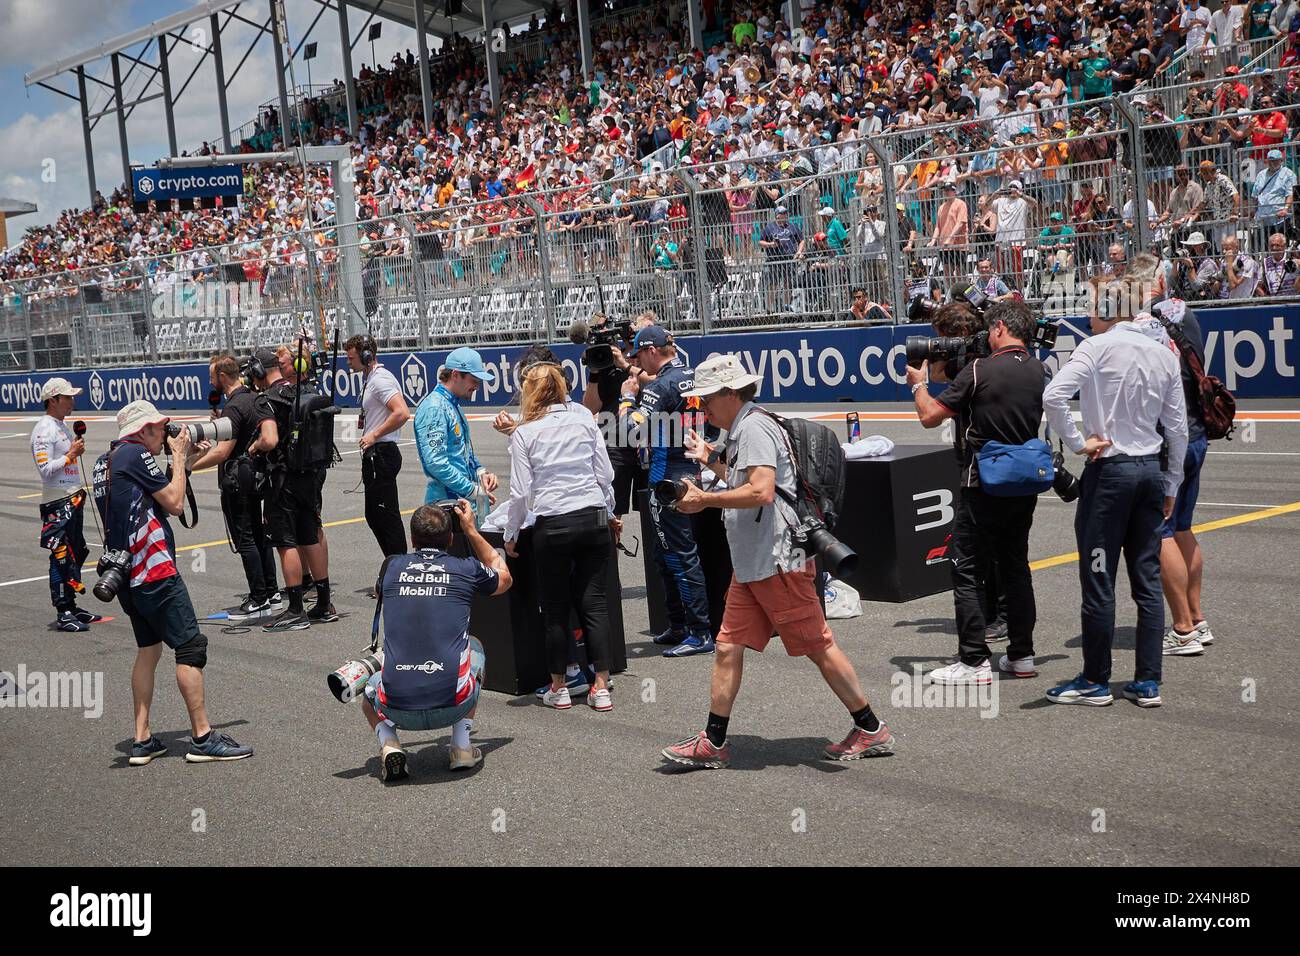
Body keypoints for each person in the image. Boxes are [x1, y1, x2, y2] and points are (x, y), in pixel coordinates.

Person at [661, 355, 895, 768]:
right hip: (755, 562)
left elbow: (761, 491)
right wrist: (710, 458)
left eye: (706, 400)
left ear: (730, 393)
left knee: (818, 646)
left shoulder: (752, 428)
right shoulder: (747, 425)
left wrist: (704, 499)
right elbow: (746, 480)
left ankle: (871, 728)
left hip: (776, 561)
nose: (702, 408)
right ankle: (713, 741)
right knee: (727, 647)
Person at [1042, 269, 1189, 709]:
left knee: (1099, 578)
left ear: (1108, 309)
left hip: (1109, 473)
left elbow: (1053, 395)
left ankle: (1095, 680)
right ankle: (1147, 681)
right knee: (1145, 579)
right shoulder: (1163, 353)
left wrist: (1077, 442)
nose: (1087, 314)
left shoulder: (1096, 347)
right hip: (1149, 471)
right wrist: (1172, 484)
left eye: (1092, 306)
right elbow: (1177, 429)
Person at [91, 400, 253, 765]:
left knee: (149, 650)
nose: (166, 433)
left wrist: (186, 461)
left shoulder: (108, 461)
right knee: (190, 647)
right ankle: (202, 737)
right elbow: (176, 503)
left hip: (125, 575)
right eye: (160, 427)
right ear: (141, 430)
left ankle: (142, 739)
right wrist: (179, 458)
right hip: (155, 571)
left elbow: (153, 499)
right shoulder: (135, 456)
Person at [906, 301, 1046, 684]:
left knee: (966, 568)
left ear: (999, 327)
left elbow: (929, 416)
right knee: (1016, 567)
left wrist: (918, 384)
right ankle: (1022, 655)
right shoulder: (1038, 369)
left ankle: (973, 661)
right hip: (1022, 483)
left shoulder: (979, 370)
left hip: (981, 482)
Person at [361, 502, 511, 781]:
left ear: (412, 539)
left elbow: (380, 589)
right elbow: (504, 578)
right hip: (454, 702)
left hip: (395, 707)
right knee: (474, 646)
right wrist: (472, 530)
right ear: (451, 538)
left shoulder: (392, 567)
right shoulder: (465, 568)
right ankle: (462, 746)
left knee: (367, 685)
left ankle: (390, 743)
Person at [504, 362, 621, 711]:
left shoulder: (525, 431)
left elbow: (521, 493)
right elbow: (606, 472)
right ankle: (600, 685)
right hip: (592, 517)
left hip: (553, 524)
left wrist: (511, 534)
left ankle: (559, 686)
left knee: (555, 609)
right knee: (595, 603)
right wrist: (608, 510)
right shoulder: (584, 417)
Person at [619, 325, 713, 657]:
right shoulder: (693, 376)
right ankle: (678, 625)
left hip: (666, 477)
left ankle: (699, 632)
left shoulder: (660, 386)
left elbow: (630, 431)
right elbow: (712, 424)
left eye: (638, 354)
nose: (636, 361)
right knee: (665, 555)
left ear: (652, 351)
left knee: (678, 554)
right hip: (692, 471)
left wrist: (627, 399)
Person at [190, 353, 281, 622]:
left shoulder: (234, 407)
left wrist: (188, 467)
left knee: (246, 539)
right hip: (254, 478)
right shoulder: (253, 398)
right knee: (258, 535)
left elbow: (222, 452)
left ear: (221, 376)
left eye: (211, 376)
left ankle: (258, 598)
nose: (210, 381)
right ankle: (271, 592)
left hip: (235, 480)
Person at [252, 348, 334, 631]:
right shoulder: (303, 390)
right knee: (310, 535)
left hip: (283, 480)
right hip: (310, 475)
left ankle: (296, 609)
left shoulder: (266, 399)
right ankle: (324, 604)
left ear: (259, 371)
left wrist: (255, 446)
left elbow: (271, 439)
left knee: (286, 542)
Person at [31, 377, 103, 632]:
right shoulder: (44, 429)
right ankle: (63, 610)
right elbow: (45, 470)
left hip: (72, 497)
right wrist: (71, 455)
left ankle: (71, 605)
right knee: (61, 557)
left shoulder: (61, 425)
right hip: (57, 501)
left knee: (77, 552)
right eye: (68, 397)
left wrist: (71, 454)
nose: (73, 401)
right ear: (53, 400)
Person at [347, 334, 410, 559]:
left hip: (382, 453)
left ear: (366, 356)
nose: (348, 362)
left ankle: (399, 567)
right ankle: (393, 563)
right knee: (374, 515)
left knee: (385, 515)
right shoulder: (371, 379)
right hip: (375, 455)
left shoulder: (380, 379)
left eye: (351, 357)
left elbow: (402, 412)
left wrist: (374, 434)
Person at [414, 347, 498, 512]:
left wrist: (481, 473)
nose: (477, 387)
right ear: (455, 375)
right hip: (446, 506)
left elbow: (462, 452)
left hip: (461, 502)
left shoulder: (452, 405)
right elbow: (436, 463)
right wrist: (473, 491)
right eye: (474, 380)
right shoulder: (434, 407)